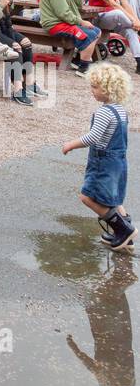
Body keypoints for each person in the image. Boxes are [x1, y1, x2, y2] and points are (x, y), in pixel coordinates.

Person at [62, 62, 135, 250]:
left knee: (88, 197)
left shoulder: (104, 112)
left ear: (108, 89)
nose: (91, 91)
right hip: (118, 161)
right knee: (115, 199)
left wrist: (71, 144)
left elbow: (93, 137)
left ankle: (123, 230)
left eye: (95, 87)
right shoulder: (121, 111)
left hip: (103, 162)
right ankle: (126, 236)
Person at [39, 0, 101, 75]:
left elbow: (78, 5)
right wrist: (81, 22)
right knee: (90, 35)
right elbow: (63, 13)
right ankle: (83, 69)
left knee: (96, 31)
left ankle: (78, 61)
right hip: (55, 25)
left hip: (62, 22)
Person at [88, 0, 140, 74]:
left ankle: (139, 62)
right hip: (96, 19)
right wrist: (134, 21)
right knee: (118, 13)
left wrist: (136, 20)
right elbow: (115, 5)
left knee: (131, 32)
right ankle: (137, 27)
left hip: (113, 20)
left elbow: (126, 5)